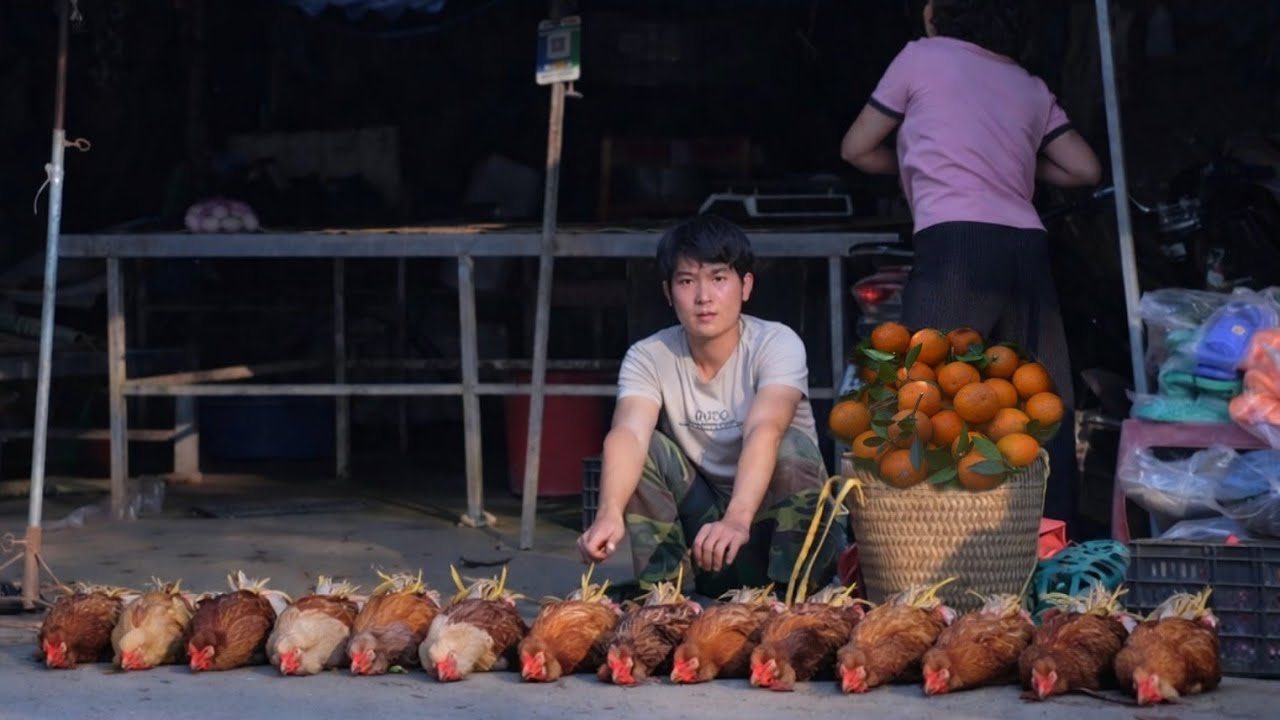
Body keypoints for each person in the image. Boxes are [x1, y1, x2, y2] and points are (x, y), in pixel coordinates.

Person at [839, 0, 1102, 525]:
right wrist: (1012, 160)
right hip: (1026, 247)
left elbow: (856, 147)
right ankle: (1053, 554)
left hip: (955, 245)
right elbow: (1084, 168)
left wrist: (923, 159)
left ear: (937, 13)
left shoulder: (921, 57)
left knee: (921, 399)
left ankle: (916, 544)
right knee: (1041, 405)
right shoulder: (1028, 85)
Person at [577, 214, 846, 597]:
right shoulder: (649, 355)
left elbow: (764, 428)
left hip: (775, 533)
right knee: (645, 448)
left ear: (745, 285)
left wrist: (737, 520)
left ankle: (798, 603)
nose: (703, 297)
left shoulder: (776, 343)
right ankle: (667, 602)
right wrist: (608, 514)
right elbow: (629, 435)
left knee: (789, 445)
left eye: (719, 278)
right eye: (687, 281)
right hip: (707, 541)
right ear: (669, 293)